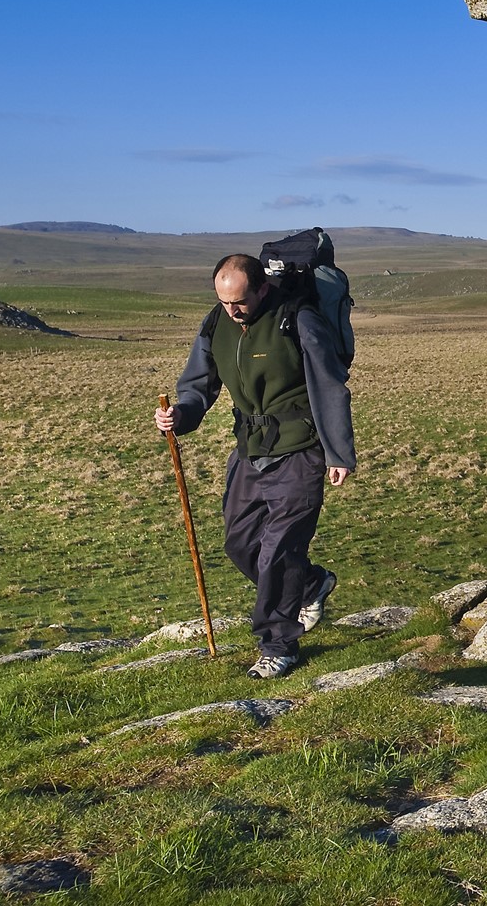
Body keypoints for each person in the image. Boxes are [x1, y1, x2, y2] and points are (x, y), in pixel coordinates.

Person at [154, 253, 355, 678]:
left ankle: (278, 644)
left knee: (277, 554)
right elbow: (197, 385)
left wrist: (338, 453)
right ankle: (311, 584)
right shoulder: (216, 323)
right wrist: (180, 416)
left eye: (240, 302)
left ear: (262, 288)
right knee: (240, 544)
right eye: (225, 302)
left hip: (301, 449)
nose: (233, 310)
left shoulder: (297, 319)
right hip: (249, 450)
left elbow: (329, 385)